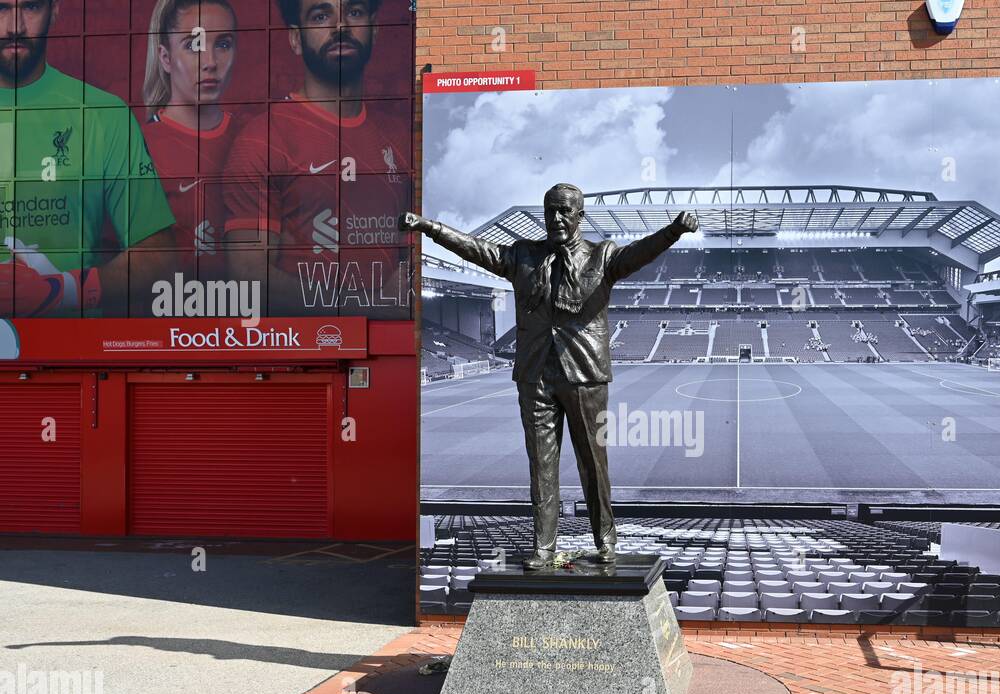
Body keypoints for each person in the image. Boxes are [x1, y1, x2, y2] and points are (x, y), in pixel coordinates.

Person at [404, 185, 699, 568]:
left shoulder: (602, 256)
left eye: (564, 211)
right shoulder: (523, 256)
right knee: (541, 465)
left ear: (580, 216)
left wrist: (673, 231)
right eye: (550, 211)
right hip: (535, 374)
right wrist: (432, 228)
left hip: (584, 374)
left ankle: (605, 540)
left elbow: (639, 253)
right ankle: (543, 546)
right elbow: (477, 249)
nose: (556, 219)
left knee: (593, 462)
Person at [223, 0, 412, 318]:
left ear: (375, 29)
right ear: (295, 39)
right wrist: (375, 303)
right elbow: (248, 277)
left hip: (391, 347)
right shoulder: (261, 140)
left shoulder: (401, 136)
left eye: (354, 12)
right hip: (300, 350)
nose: (340, 27)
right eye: (321, 16)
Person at [0, 0, 175, 316]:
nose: (15, 27)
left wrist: (63, 290)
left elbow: (158, 256)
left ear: (54, 11)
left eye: (30, 7)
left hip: (71, 353)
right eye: (0, 8)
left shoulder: (103, 115)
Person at [141, 0, 240, 275]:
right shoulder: (137, 147)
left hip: (243, 314)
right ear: (165, 58)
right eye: (194, 45)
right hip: (167, 313)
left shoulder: (256, 140)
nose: (210, 62)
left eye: (223, 44)